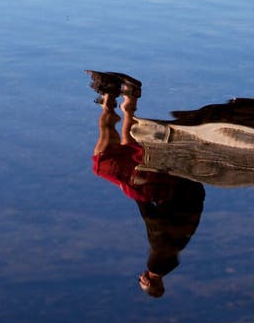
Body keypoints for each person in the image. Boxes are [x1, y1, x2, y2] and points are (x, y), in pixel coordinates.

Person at [87, 70, 205, 297]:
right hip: (164, 191)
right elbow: (155, 224)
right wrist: (139, 199)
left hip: (183, 191)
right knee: (102, 163)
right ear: (150, 282)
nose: (140, 277)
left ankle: (129, 97)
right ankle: (108, 98)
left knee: (129, 147)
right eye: (142, 281)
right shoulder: (158, 262)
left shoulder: (174, 257)